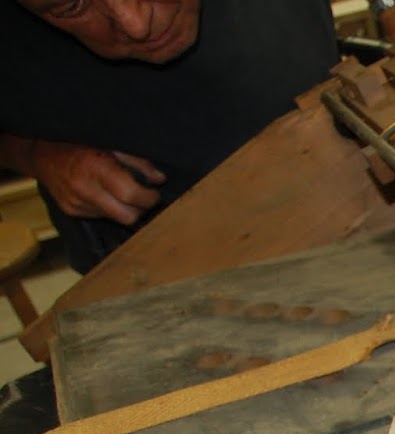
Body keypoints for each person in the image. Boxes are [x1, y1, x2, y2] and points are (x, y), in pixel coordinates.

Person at [0, 0, 339, 273]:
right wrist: (33, 154)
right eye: (72, 6)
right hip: (150, 255)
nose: (137, 24)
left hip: (334, 187)